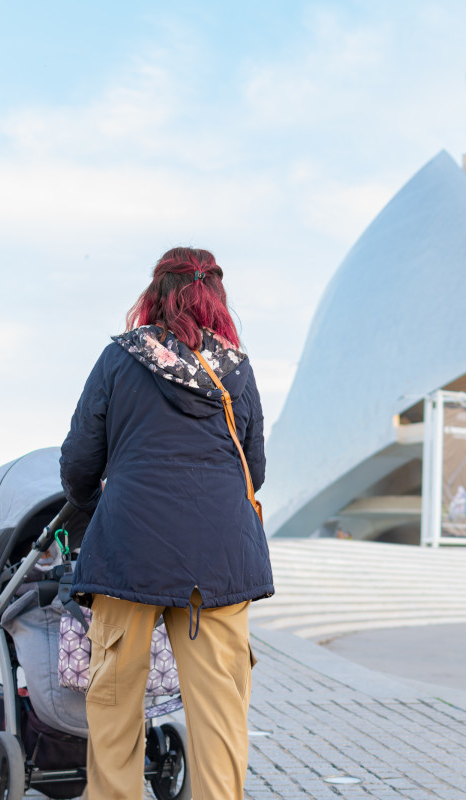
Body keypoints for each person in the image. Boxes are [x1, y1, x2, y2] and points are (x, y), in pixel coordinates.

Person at [60, 247, 274, 800]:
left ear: (154, 295)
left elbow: (80, 460)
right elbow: (256, 466)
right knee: (221, 706)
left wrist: (89, 503)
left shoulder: (120, 359)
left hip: (130, 548)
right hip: (220, 559)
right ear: (216, 299)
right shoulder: (237, 369)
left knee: (114, 699)